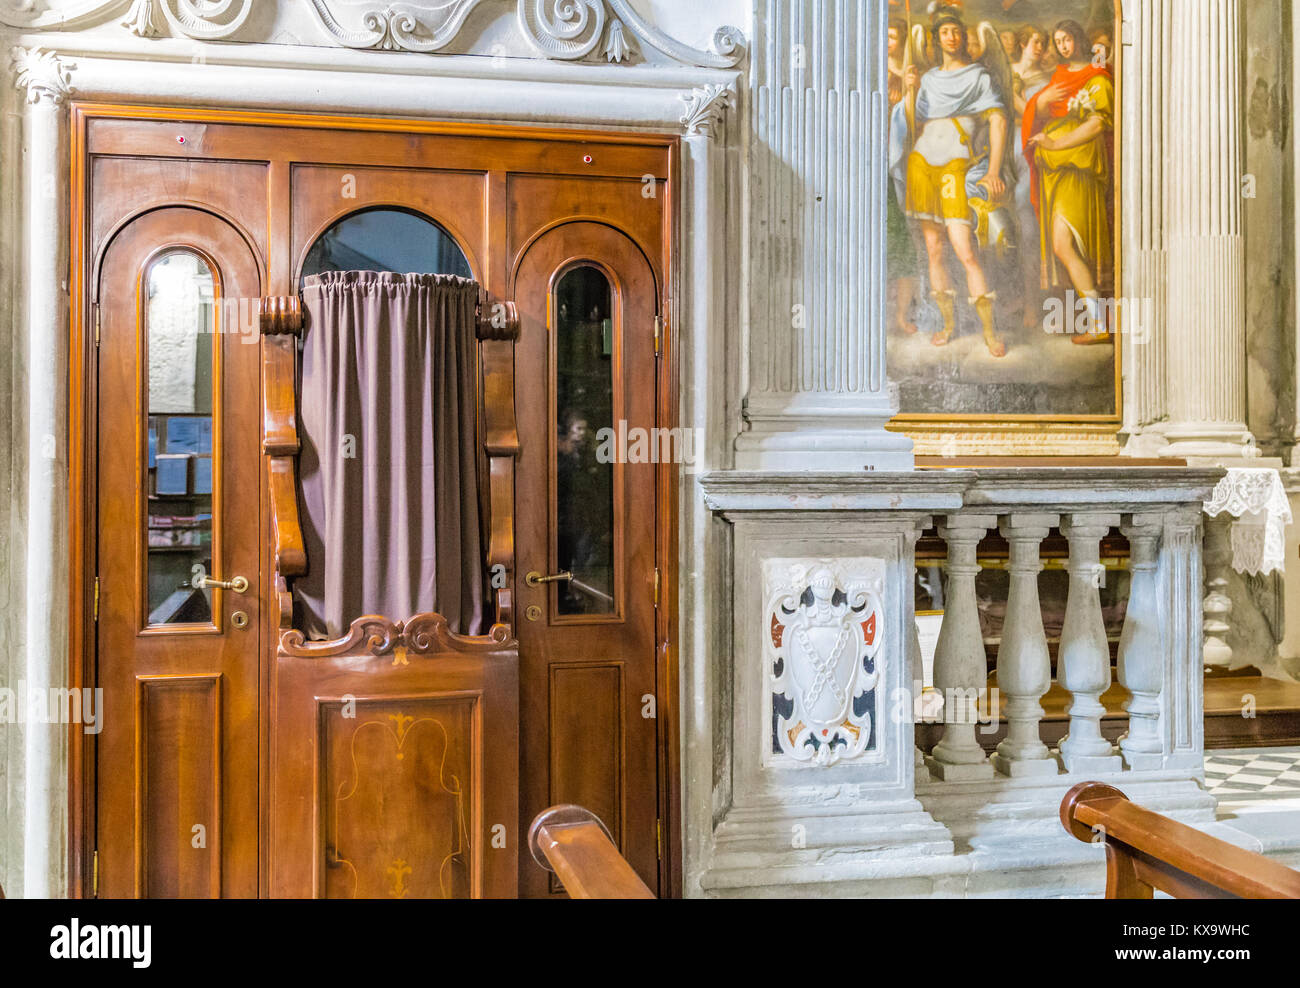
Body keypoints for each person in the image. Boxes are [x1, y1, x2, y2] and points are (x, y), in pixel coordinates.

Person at [894, 8, 1010, 357]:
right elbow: (913, 122)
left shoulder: (980, 77)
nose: (951, 36)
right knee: (933, 249)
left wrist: (993, 170)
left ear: (962, 35)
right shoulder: (928, 79)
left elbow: (999, 120)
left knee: (964, 250)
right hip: (921, 163)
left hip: (954, 166)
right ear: (937, 38)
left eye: (955, 31)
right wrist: (910, 89)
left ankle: (990, 332)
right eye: (944, 31)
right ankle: (947, 325)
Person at [1023, 19, 1115, 344]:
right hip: (1057, 173)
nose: (1062, 45)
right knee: (1066, 246)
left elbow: (1095, 126)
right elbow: (1045, 115)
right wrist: (1043, 103)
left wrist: (1055, 144)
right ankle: (1097, 322)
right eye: (1057, 41)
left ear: (1078, 38)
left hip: (1078, 171)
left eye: (1066, 39)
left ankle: (1098, 323)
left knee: (1066, 245)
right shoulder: (1059, 78)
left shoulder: (1098, 79)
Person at [887, 17, 920, 336]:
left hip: (894, 167)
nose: (887, 41)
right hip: (868, 163)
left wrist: (910, 91)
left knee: (902, 246)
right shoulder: (872, 73)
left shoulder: (908, 77)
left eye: (894, 36)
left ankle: (900, 316)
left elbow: (911, 124)